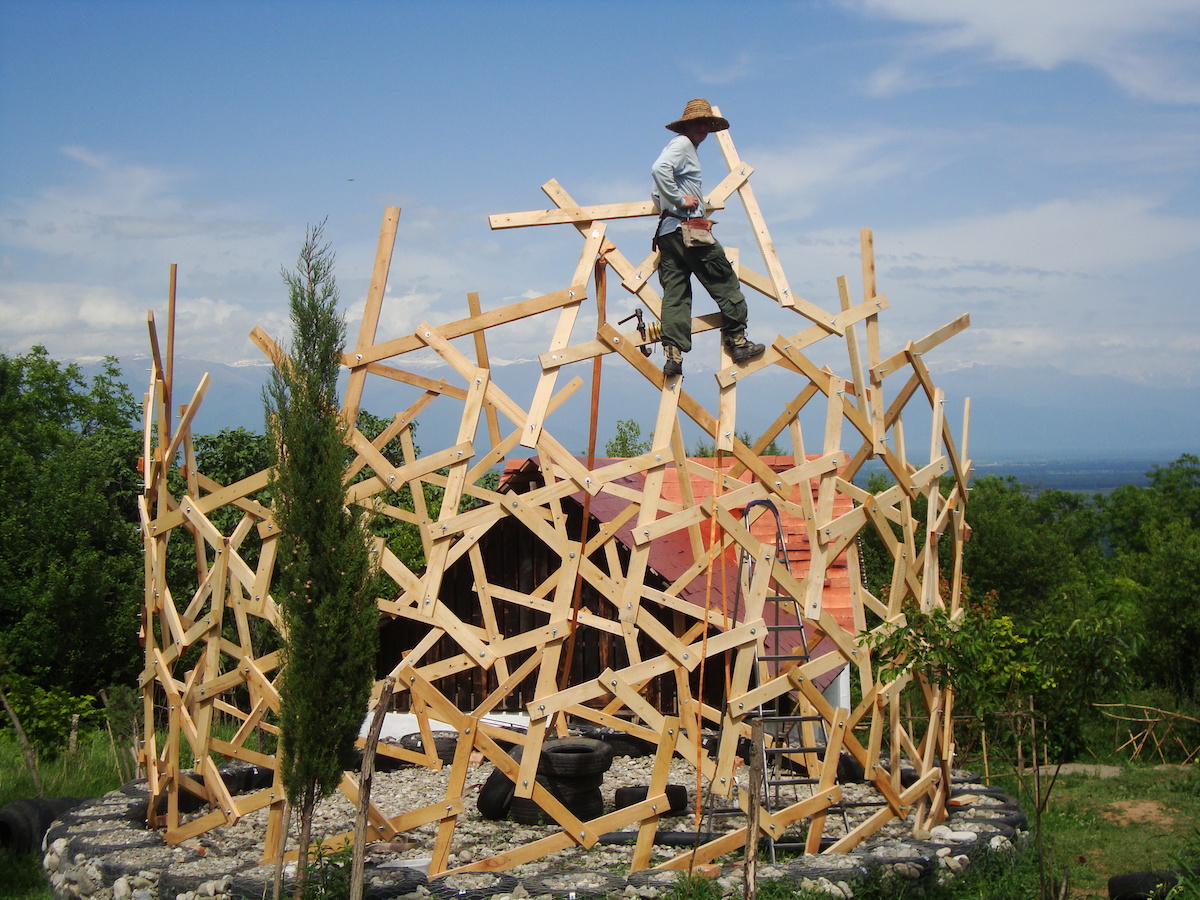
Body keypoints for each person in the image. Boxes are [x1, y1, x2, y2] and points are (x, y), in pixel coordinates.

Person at [651, 98, 765, 378]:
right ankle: (737, 342)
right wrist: (681, 199)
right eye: (698, 122)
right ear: (687, 125)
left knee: (675, 296)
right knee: (724, 280)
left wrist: (672, 199)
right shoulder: (682, 145)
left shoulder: (675, 147)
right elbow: (658, 170)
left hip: (668, 233)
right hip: (689, 229)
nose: (702, 127)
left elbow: (656, 191)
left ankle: (673, 357)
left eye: (706, 123)